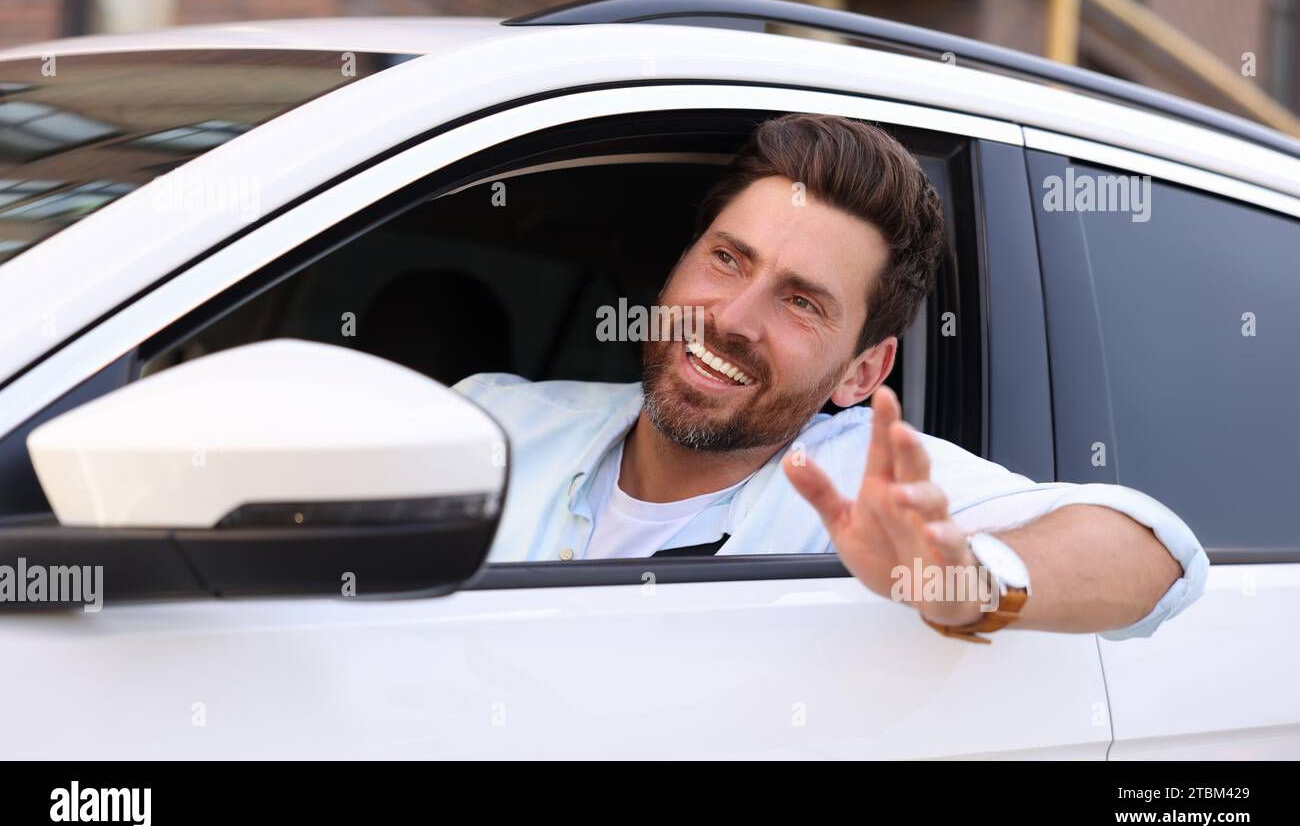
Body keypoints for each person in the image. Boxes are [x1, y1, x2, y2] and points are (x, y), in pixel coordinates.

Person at [455, 113, 1206, 642]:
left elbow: (1157, 556)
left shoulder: (851, 483)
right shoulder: (494, 421)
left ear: (860, 372)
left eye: (802, 301)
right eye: (728, 259)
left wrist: (960, 582)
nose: (733, 317)